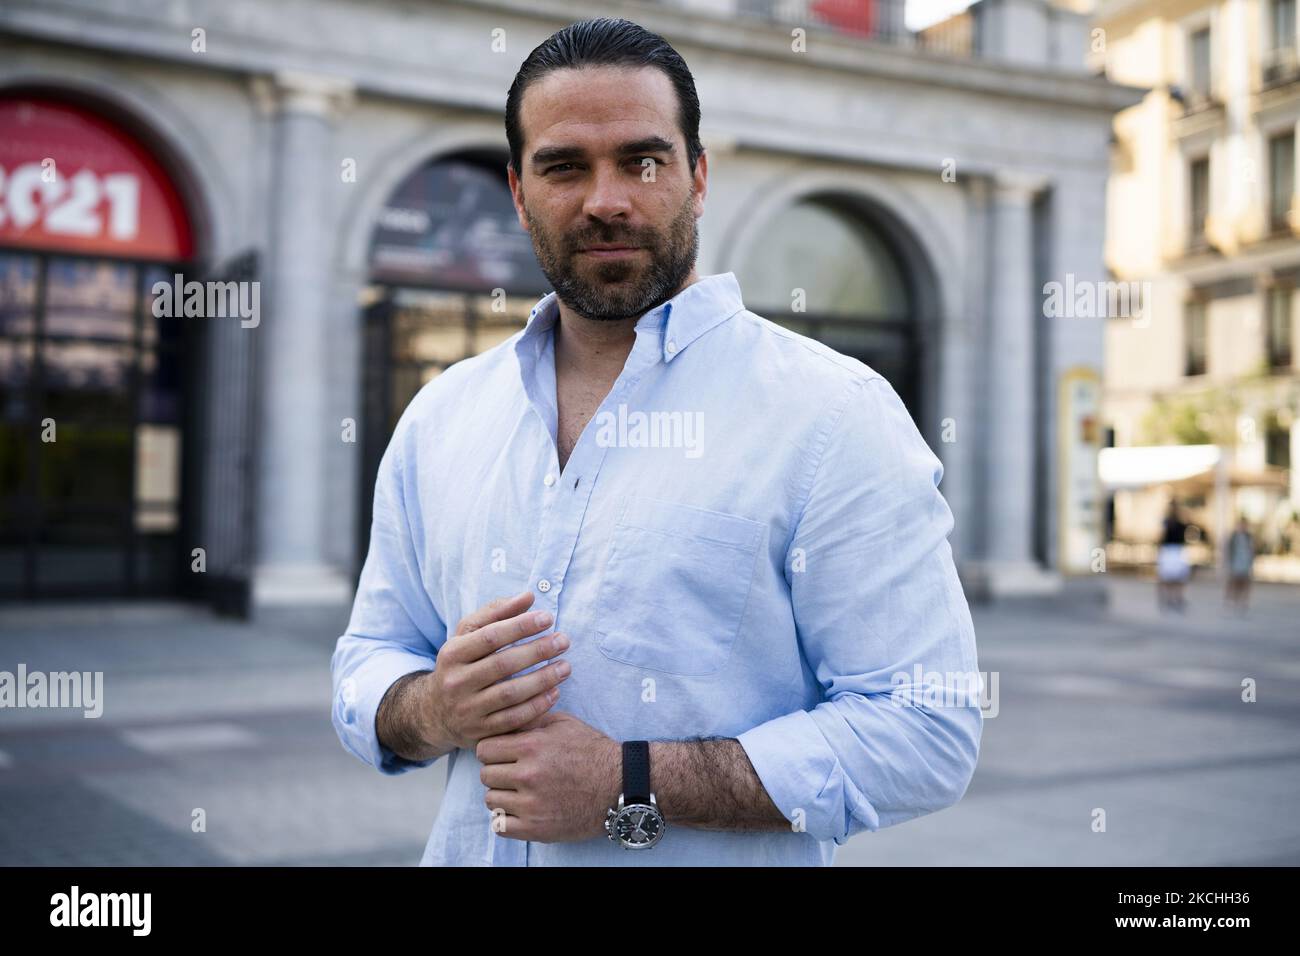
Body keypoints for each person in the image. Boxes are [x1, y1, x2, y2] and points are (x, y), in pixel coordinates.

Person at [331, 17, 981, 867]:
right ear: (520, 195)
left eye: (642, 160)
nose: (607, 199)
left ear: (698, 177)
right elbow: (370, 657)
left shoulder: (832, 414)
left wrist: (626, 783)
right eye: (564, 166)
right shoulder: (443, 415)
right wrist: (433, 711)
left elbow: (927, 728)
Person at [1156, 500, 1190, 612]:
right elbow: (1162, 535)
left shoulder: (1181, 520)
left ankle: (1177, 598)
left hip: (1177, 549)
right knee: (1167, 576)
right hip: (1169, 550)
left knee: (1178, 577)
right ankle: (1167, 598)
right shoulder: (1167, 521)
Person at [1224, 515, 1255, 612]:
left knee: (1245, 582)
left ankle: (1243, 601)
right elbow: (1228, 550)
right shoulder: (1233, 536)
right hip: (1235, 562)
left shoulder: (1249, 536)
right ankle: (1232, 600)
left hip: (1245, 562)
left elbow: (1252, 549)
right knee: (1234, 582)